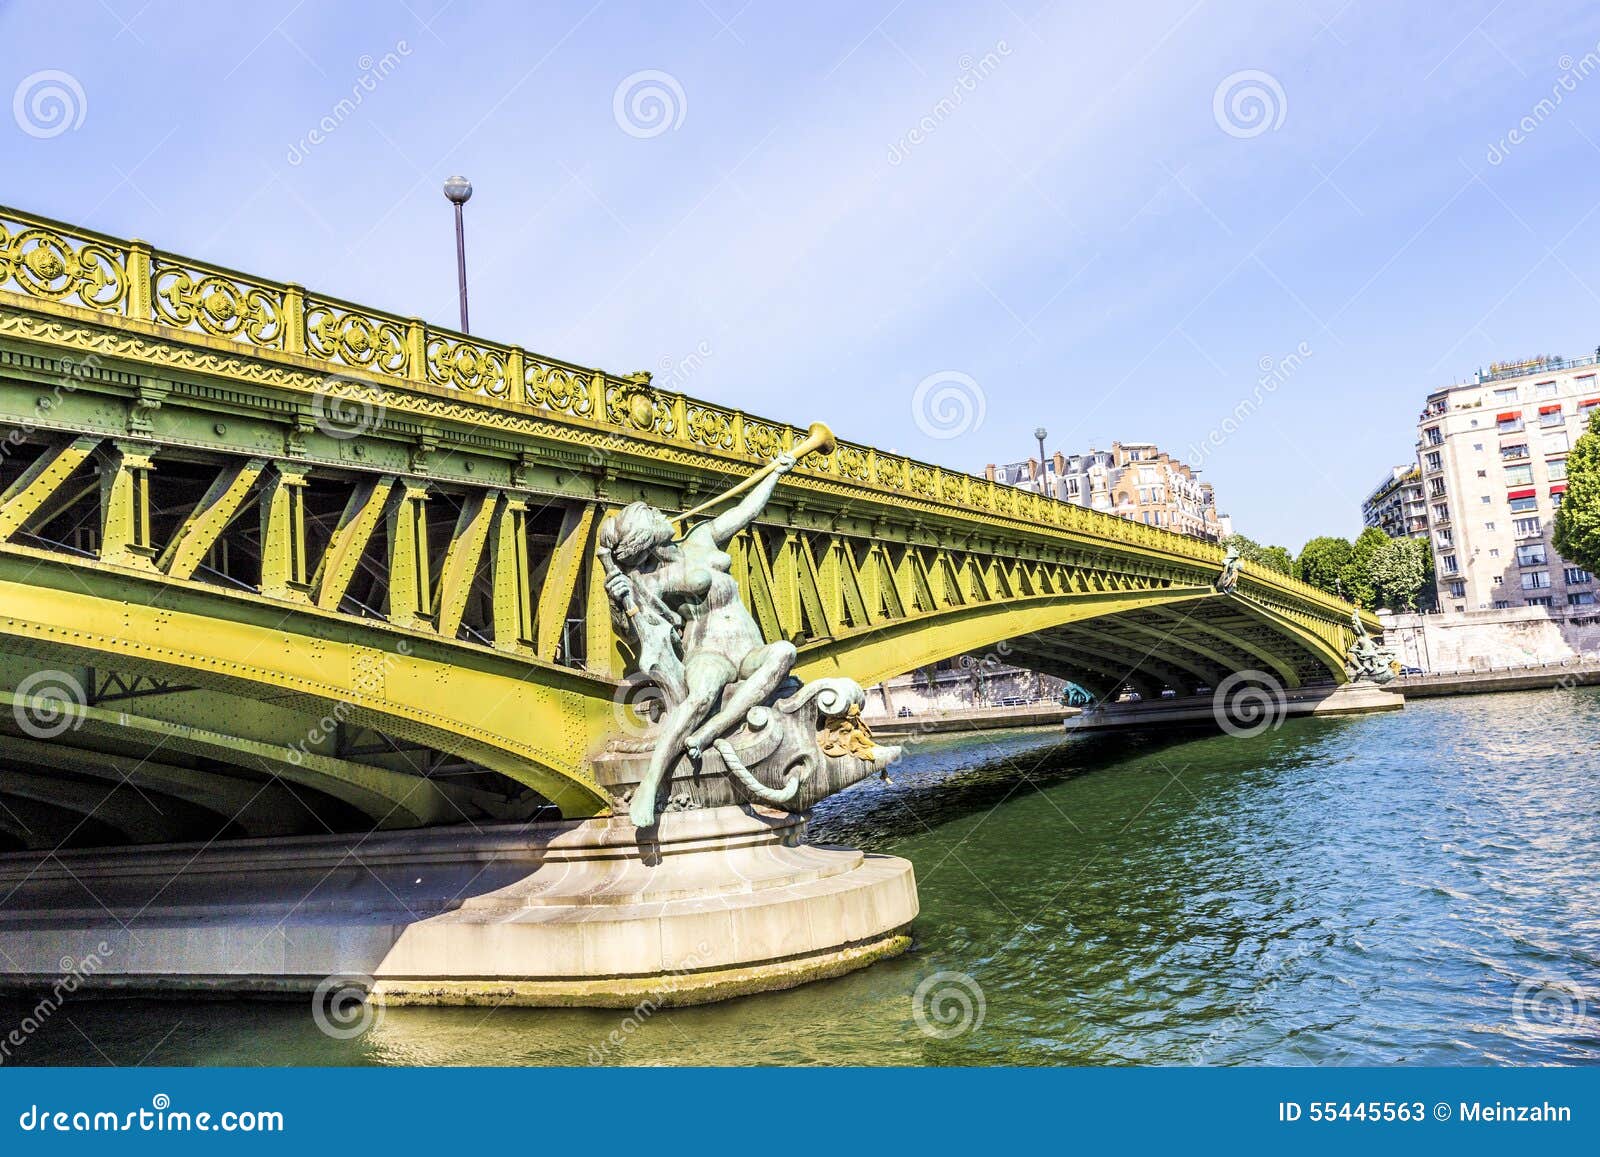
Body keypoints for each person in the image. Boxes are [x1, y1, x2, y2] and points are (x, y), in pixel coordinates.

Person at [599, 453, 799, 827]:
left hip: (747, 646)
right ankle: (650, 785)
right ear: (648, 537)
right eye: (654, 517)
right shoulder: (650, 580)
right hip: (708, 649)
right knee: (700, 696)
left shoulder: (702, 537)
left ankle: (712, 730)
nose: (662, 515)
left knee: (784, 652)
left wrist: (775, 473)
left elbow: (745, 512)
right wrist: (617, 596)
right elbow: (631, 630)